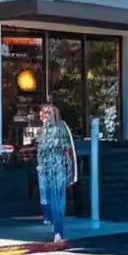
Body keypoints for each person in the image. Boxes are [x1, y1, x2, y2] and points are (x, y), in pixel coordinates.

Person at [35, 103, 77, 243]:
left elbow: (70, 150)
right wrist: (40, 166)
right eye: (41, 113)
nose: (41, 116)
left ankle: (58, 232)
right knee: (45, 198)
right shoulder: (42, 131)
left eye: (44, 113)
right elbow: (40, 150)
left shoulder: (62, 127)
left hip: (58, 168)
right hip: (45, 169)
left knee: (58, 201)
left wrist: (71, 172)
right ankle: (51, 220)